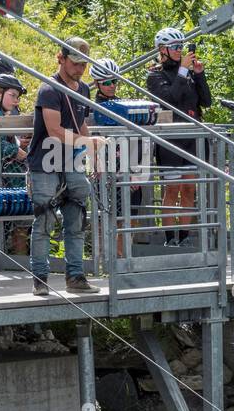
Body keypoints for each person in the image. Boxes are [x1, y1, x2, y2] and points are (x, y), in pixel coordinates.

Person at [26, 37, 106, 296]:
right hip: (44, 162)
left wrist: (93, 153)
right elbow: (54, 130)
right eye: (75, 63)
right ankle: (40, 278)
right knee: (45, 219)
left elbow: (80, 124)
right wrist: (87, 141)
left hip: (71, 161)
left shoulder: (83, 90)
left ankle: (76, 275)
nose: (80, 69)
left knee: (77, 218)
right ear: (61, 58)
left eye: (83, 64)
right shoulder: (49, 89)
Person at [146, 26, 210, 248]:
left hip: (191, 139)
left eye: (180, 46)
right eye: (174, 47)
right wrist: (183, 72)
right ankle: (168, 237)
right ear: (162, 49)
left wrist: (199, 75)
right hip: (170, 140)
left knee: (189, 188)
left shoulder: (188, 73)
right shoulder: (155, 74)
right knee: (172, 188)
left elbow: (206, 101)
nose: (179, 50)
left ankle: (183, 237)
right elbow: (169, 100)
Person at [91, 58, 145, 257]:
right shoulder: (90, 107)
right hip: (102, 170)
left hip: (127, 168)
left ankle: (121, 256)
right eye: (106, 82)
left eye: (114, 81)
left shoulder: (124, 105)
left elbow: (138, 141)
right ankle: (103, 257)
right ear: (97, 83)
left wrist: (135, 169)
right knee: (102, 214)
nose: (111, 86)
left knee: (128, 215)